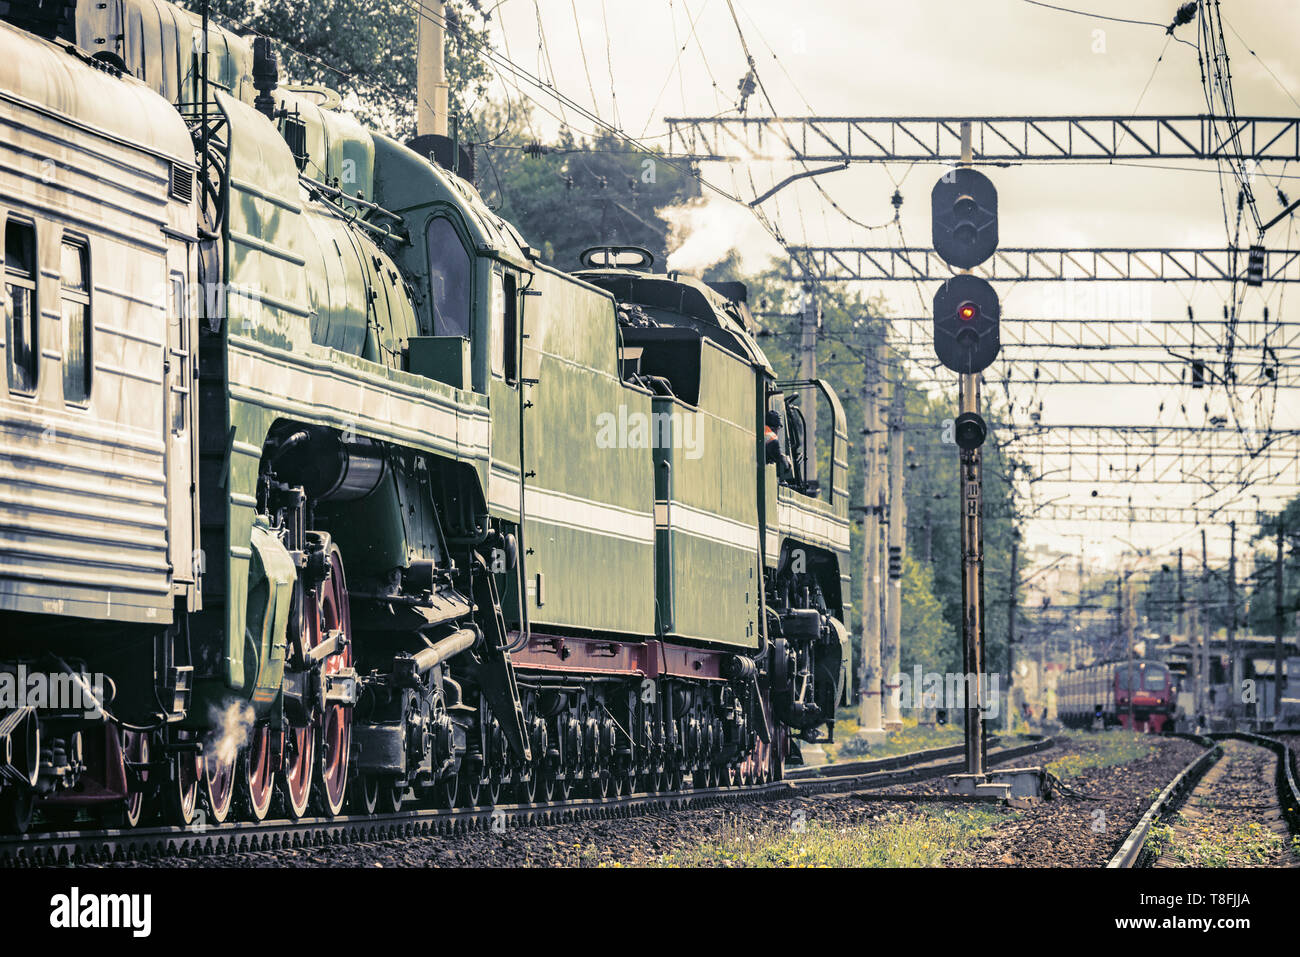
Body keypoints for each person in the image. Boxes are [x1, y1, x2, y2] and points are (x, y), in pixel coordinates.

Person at [765, 409, 794, 480]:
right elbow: (777, 456)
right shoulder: (771, 438)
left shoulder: (760, 431)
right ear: (774, 428)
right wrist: (785, 461)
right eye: (778, 428)